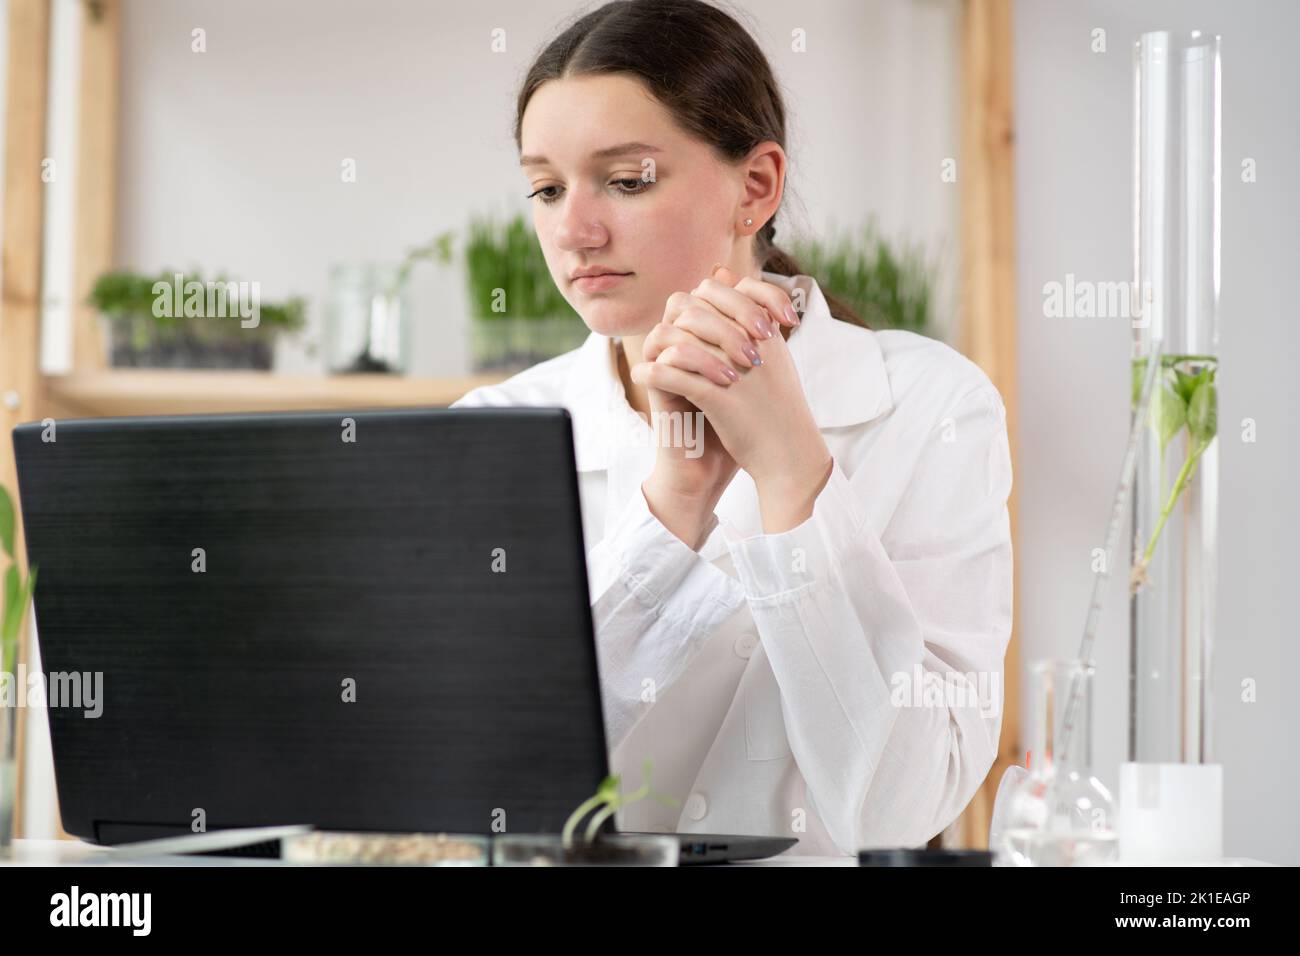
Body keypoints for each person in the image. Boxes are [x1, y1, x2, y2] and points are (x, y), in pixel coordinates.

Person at [454, 0, 1012, 856]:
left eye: (627, 179)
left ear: (756, 186)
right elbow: (475, 775)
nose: (574, 229)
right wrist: (673, 503)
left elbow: (903, 806)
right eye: (546, 187)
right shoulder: (498, 431)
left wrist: (794, 477)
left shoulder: (932, 406)